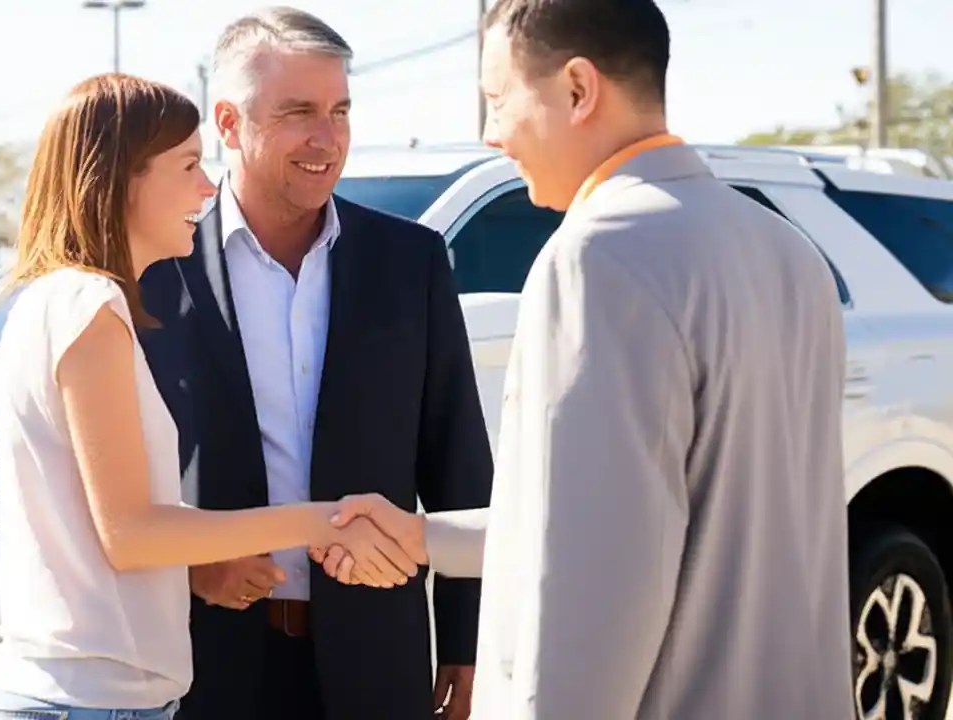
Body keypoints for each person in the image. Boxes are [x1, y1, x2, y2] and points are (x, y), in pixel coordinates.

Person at [322, 0, 855, 717]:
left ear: (578, 89)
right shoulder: (791, 252)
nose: (490, 134)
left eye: (497, 99)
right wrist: (423, 538)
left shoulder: (599, 256)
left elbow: (595, 575)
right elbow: (662, 519)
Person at [0, 73, 425, 720]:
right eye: (188, 164)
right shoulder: (89, 306)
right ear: (121, 177)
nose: (207, 187)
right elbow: (130, 533)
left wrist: (204, 561)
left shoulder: (60, 301)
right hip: (89, 706)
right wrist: (320, 520)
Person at [136, 7, 493, 720]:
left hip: (376, 663)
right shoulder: (157, 273)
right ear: (230, 124)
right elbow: (117, 481)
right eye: (299, 111)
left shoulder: (409, 262)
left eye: (340, 111)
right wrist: (189, 565)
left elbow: (456, 458)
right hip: (206, 664)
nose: (326, 139)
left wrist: (467, 639)